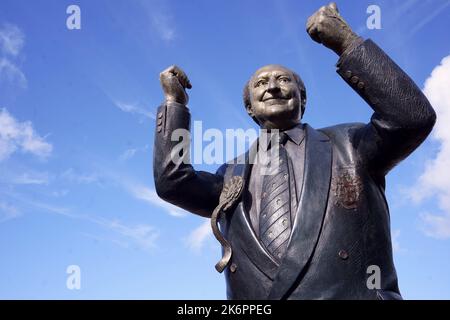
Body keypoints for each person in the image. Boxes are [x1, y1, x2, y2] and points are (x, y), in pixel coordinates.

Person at [153, 3, 436, 299]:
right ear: (250, 107)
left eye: (284, 80)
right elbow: (173, 183)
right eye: (261, 84)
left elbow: (411, 118)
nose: (273, 88)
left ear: (303, 99)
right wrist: (175, 104)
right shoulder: (230, 174)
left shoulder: (350, 144)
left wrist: (346, 43)